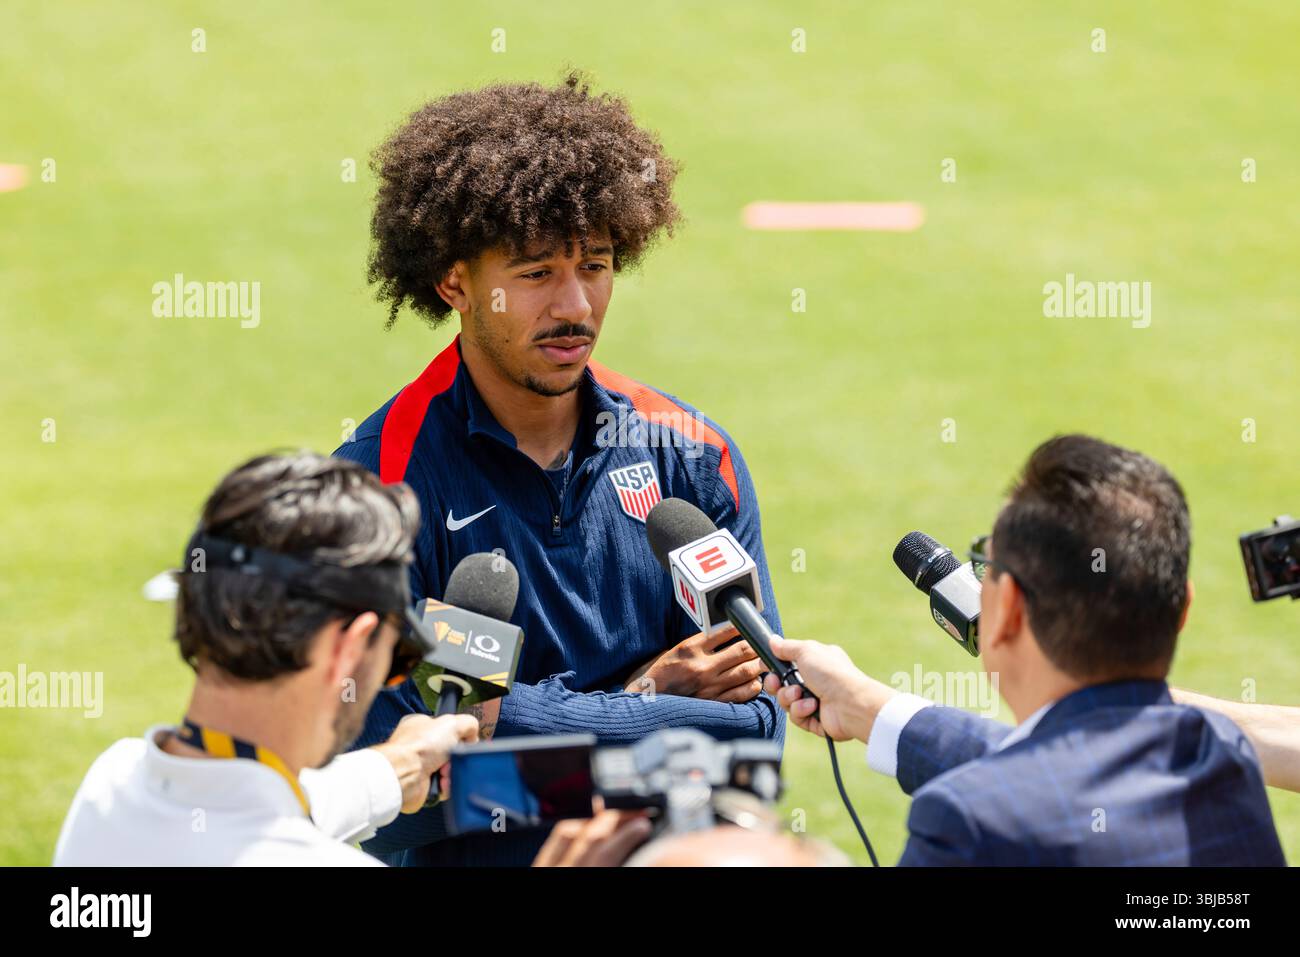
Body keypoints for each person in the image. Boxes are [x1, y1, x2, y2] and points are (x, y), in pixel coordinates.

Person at [335, 71, 783, 865]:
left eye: (597, 265)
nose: (575, 305)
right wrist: (647, 707)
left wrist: (512, 723)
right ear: (454, 282)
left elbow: (757, 736)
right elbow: (392, 791)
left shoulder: (694, 455)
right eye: (536, 273)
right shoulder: (381, 485)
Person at [764, 434, 1286, 866]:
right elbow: (1073, 769)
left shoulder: (967, 822)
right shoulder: (1226, 759)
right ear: (1182, 610)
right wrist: (872, 710)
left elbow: (1045, 780)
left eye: (983, 567)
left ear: (1009, 607)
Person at [54, 452, 479, 866]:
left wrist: (401, 764)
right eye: (396, 660)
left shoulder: (110, 784)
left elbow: (250, 812)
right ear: (347, 648)